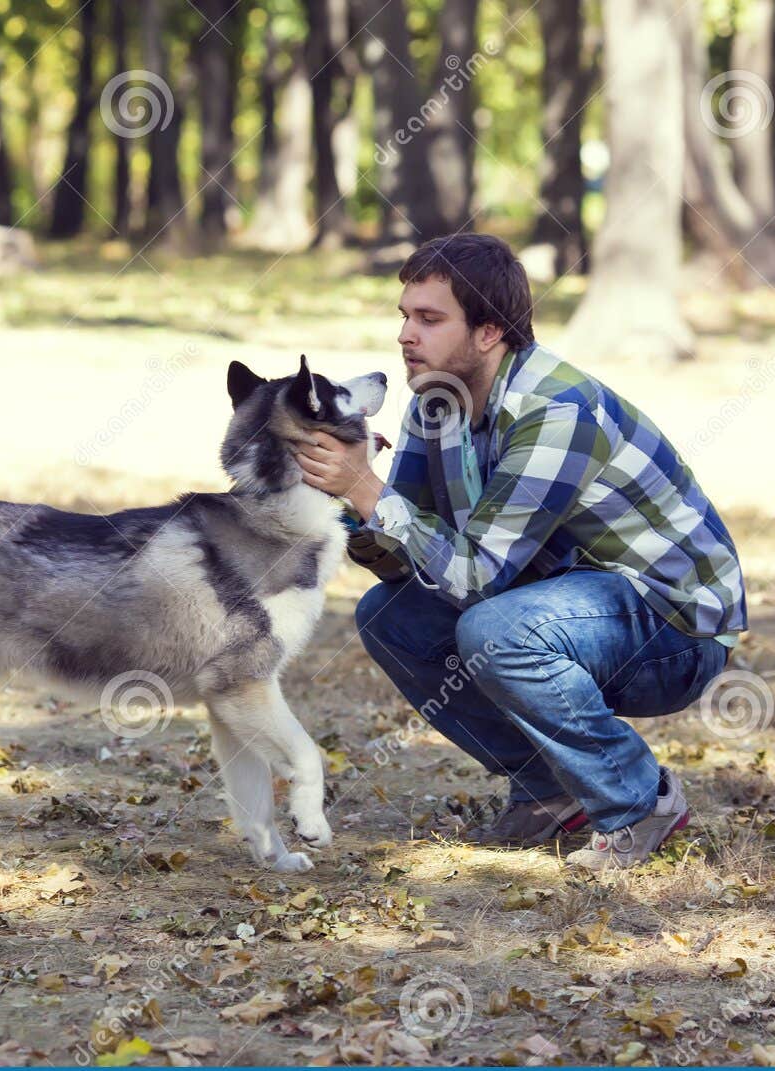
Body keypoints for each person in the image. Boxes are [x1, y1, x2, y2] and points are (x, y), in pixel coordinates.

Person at [292, 233, 747, 869]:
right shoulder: (437, 403)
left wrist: (367, 488)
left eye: (429, 319)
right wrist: (350, 498)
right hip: (566, 600)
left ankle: (639, 805)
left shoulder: (554, 410)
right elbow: (410, 560)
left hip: (673, 626)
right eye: (404, 316)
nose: (405, 335)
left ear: (489, 332)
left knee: (492, 628)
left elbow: (475, 576)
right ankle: (553, 791)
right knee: (389, 617)